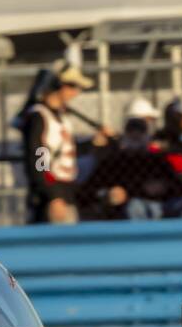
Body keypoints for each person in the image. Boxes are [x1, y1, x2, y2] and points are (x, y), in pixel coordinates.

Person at [80, 98, 182, 220]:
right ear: (125, 131)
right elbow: (87, 192)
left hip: (164, 205)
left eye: (142, 129)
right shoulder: (113, 161)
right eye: (132, 129)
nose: (136, 134)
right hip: (136, 207)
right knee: (135, 206)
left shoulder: (157, 158)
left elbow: (180, 188)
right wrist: (107, 194)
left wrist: (165, 187)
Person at [21, 66, 113, 224]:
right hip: (51, 196)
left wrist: (94, 142)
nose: (76, 92)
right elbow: (39, 160)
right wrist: (53, 196)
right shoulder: (39, 117)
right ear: (57, 85)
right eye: (72, 86)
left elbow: (68, 151)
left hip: (67, 191)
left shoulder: (62, 117)